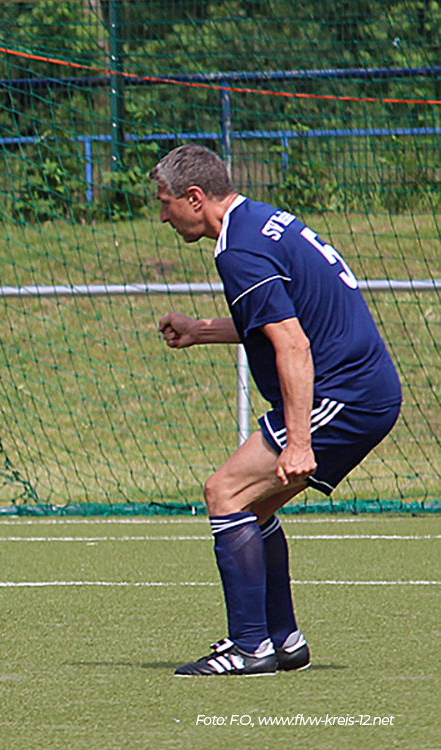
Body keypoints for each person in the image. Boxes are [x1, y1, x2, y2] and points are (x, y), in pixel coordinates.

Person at [152, 144, 400, 676]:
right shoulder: (261, 222)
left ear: (195, 198)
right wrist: (200, 331)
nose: (163, 214)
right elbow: (276, 319)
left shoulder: (236, 249)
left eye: (166, 202)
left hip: (346, 393)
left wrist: (300, 442)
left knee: (225, 491)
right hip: (364, 390)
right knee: (253, 507)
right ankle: (282, 640)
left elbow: (292, 344)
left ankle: (249, 646)